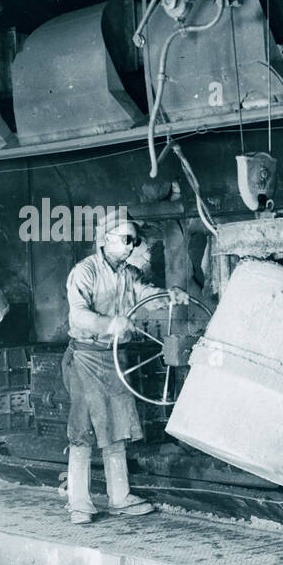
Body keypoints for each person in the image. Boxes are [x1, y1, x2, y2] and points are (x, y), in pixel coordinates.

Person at [63, 211, 189, 525]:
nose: (130, 245)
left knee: (117, 428)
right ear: (104, 240)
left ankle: (119, 497)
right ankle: (79, 502)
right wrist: (109, 323)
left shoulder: (128, 274)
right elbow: (78, 315)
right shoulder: (85, 272)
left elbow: (146, 295)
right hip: (83, 356)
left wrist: (168, 296)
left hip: (111, 359)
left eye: (133, 240)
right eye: (124, 239)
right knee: (83, 430)